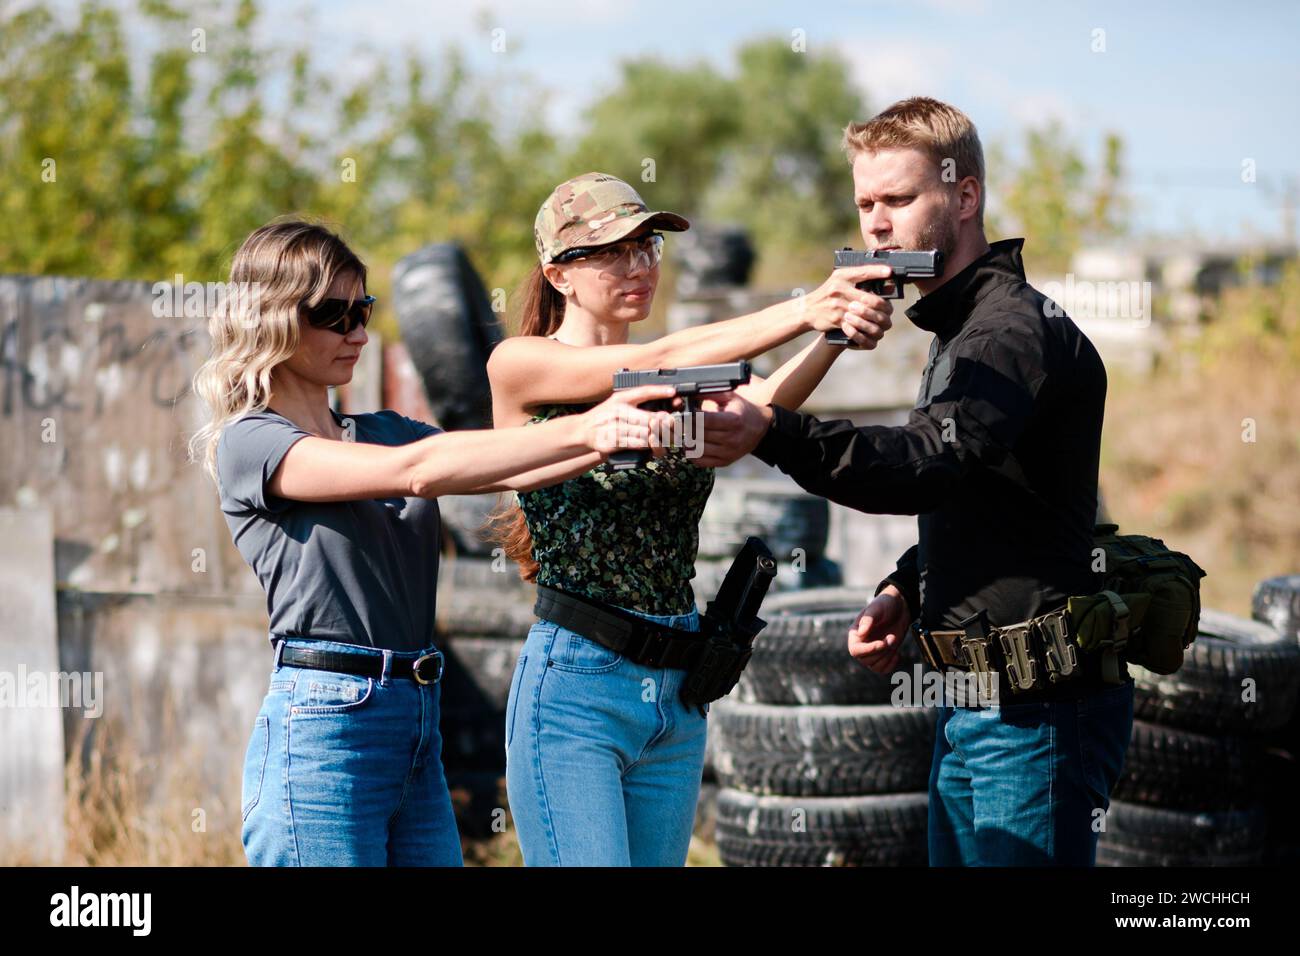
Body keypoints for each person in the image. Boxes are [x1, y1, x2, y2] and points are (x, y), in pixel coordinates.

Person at [690, 98, 1133, 866]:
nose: (876, 224)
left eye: (899, 199)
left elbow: (928, 462)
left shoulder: (1007, 332)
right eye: (866, 203)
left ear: (965, 197)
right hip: (971, 702)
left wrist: (775, 430)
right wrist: (908, 587)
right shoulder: (959, 327)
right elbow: (986, 494)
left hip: (1034, 714)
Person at [189, 217, 676, 866]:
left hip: (418, 718)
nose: (358, 332)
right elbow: (417, 472)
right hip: (325, 726)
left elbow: (510, 462)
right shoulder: (252, 442)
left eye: (362, 308)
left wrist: (616, 426)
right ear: (272, 318)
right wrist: (593, 433)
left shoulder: (387, 428)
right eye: (333, 314)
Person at [487, 172, 897, 866]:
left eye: (647, 247)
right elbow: (654, 359)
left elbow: (760, 404)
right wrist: (807, 305)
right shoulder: (524, 364)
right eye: (613, 252)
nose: (639, 265)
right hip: (577, 686)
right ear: (558, 275)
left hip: (678, 686)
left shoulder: (677, 373)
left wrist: (835, 329)